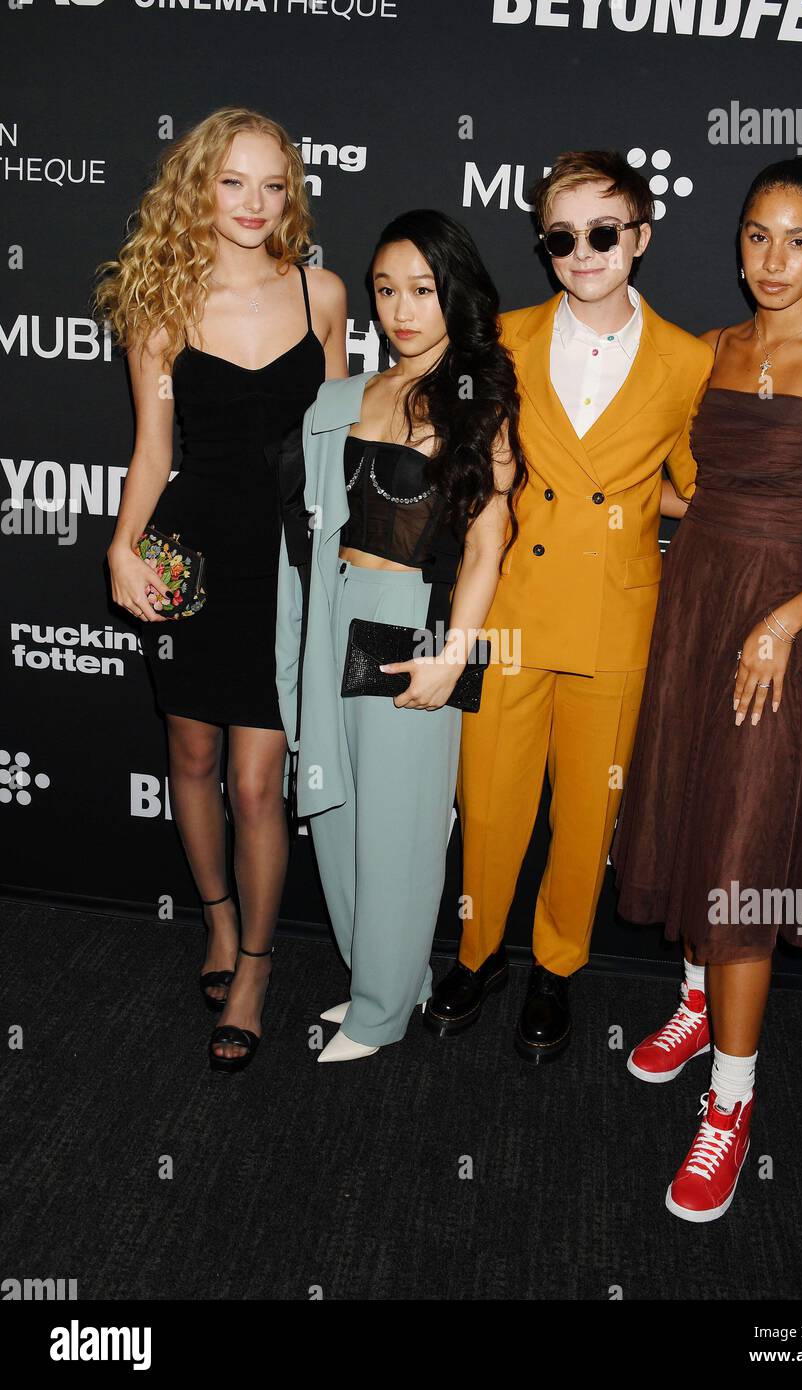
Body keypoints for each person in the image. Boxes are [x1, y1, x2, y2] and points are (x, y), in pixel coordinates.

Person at [611, 155, 802, 1221]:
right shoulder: (714, 352)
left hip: (776, 633)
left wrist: (785, 621)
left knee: (744, 853)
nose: (771, 259)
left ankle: (730, 1104)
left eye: (796, 239)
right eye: (754, 235)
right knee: (691, 813)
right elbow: (698, 495)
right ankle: (693, 1002)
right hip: (692, 613)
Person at [425, 149, 712, 1063]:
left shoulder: (689, 361)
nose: (582, 251)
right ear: (544, 245)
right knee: (491, 799)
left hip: (616, 616)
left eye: (603, 231)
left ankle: (556, 967)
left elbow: (693, 492)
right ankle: (479, 954)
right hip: (512, 605)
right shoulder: (503, 337)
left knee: (588, 814)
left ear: (641, 236)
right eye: (562, 236)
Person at [96, 107, 347, 1072]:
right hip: (187, 553)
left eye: (272, 184)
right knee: (193, 756)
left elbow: (332, 439)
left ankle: (254, 963)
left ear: (292, 195)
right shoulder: (160, 302)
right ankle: (212, 920)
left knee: (258, 781)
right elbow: (153, 449)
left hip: (286, 558)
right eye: (234, 181)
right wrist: (123, 547)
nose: (253, 203)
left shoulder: (321, 295)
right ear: (201, 185)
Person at [276, 209, 526, 1062]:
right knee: (337, 815)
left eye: (422, 289)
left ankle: (380, 1015)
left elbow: (490, 541)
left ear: (455, 293)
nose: (402, 308)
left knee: (402, 829)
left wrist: (454, 653)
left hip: (412, 626)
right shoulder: (350, 396)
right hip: (336, 617)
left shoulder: (477, 397)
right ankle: (385, 980)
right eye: (386, 290)